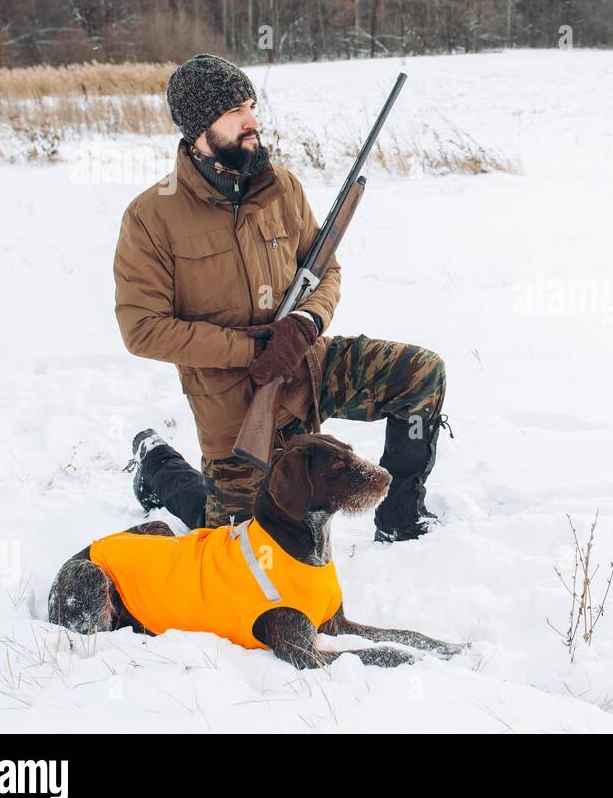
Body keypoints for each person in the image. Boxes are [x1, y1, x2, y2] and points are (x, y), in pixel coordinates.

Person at [114, 53, 450, 542]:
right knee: (237, 538)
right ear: (198, 129)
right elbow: (141, 329)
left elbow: (325, 268)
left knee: (421, 373)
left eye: (251, 106)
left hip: (311, 368)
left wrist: (308, 324)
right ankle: (158, 464)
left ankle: (401, 519)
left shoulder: (282, 188)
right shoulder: (151, 216)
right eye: (235, 113)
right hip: (234, 402)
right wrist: (254, 349)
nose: (253, 122)